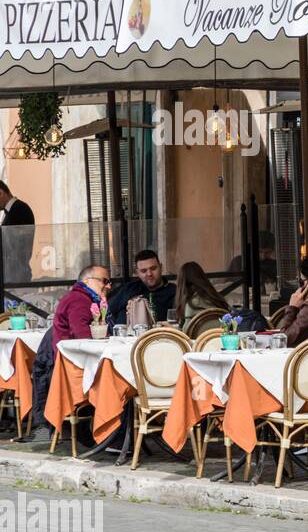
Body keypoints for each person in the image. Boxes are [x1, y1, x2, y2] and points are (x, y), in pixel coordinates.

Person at [23, 264, 111, 444]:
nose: (109, 286)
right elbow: (83, 337)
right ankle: (107, 431)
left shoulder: (85, 298)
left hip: (65, 361)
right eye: (105, 281)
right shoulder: (80, 300)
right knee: (111, 380)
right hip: (65, 367)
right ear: (88, 281)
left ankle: (104, 432)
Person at [108, 249, 176, 326]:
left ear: (161, 267)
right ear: (137, 273)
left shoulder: (174, 292)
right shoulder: (129, 289)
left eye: (153, 268)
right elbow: (107, 312)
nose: (149, 274)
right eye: (144, 271)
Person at [0, 180, 36, 283]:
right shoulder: (12, 211)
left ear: (0, 193)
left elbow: (13, 245)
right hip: (12, 274)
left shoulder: (20, 209)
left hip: (16, 276)